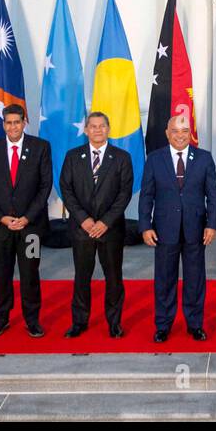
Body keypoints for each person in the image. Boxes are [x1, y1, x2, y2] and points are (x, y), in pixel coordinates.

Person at [140, 114, 216, 342]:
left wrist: (212, 224)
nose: (180, 136)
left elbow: (212, 195)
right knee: (165, 279)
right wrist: (145, 226)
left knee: (195, 279)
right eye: (175, 131)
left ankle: (195, 324)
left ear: (190, 134)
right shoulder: (155, 159)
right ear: (167, 133)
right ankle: (163, 325)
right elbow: (147, 196)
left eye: (184, 131)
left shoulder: (204, 158)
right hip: (164, 230)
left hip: (196, 229)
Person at [0, 103, 52, 338]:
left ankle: (32, 320)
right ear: (3, 124)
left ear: (24, 122)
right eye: (8, 123)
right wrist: (2, 218)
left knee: (30, 273)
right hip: (1, 228)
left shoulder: (40, 148)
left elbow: (44, 187)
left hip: (31, 230)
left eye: (17, 122)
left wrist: (27, 218)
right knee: (2, 273)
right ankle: (1, 318)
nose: (13, 127)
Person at [59, 111, 133, 339]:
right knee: (82, 277)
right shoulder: (73, 156)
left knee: (113, 277)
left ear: (108, 129)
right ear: (86, 130)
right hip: (82, 230)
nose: (98, 130)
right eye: (93, 126)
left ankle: (114, 322)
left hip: (110, 230)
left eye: (102, 126)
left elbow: (124, 194)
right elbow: (67, 190)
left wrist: (104, 222)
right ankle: (79, 322)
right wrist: (84, 219)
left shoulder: (121, 157)